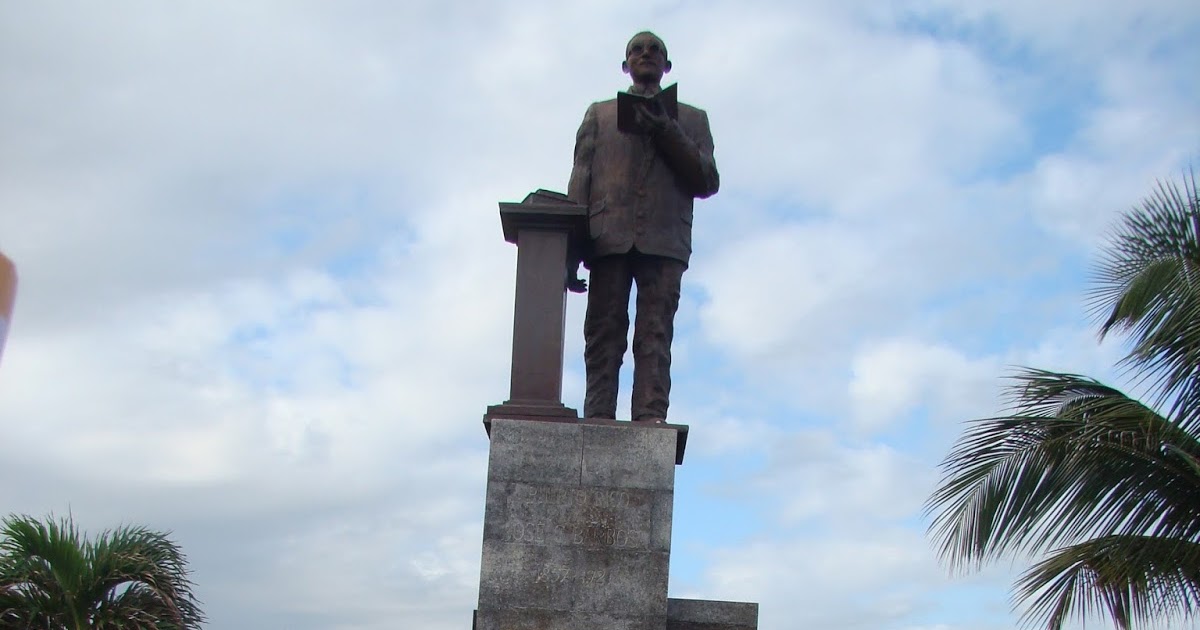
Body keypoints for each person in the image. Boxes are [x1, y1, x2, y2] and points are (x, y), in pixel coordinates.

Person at [567, 31, 719, 423]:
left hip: (664, 240)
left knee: (655, 334)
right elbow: (581, 179)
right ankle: (598, 415)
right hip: (608, 237)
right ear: (625, 65)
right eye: (637, 49)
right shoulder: (599, 115)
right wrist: (570, 249)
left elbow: (707, 180)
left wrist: (666, 130)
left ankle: (651, 415)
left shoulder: (692, 119)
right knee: (602, 331)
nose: (646, 54)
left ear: (667, 66)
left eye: (655, 50)